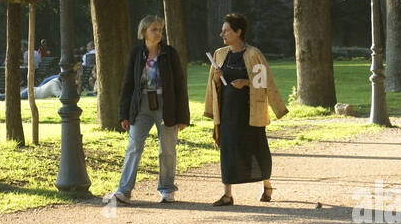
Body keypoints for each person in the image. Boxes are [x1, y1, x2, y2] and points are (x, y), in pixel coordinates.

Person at [103, 16, 189, 204]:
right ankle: (123, 191)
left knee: (167, 149)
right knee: (134, 147)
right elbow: (128, 83)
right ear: (144, 32)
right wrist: (123, 114)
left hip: (166, 106)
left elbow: (180, 85)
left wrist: (183, 116)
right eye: (154, 29)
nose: (158, 33)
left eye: (160, 29)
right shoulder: (136, 53)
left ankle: (167, 190)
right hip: (140, 105)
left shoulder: (170, 53)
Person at [204, 12, 287, 206]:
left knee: (256, 147)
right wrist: (216, 76)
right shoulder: (220, 54)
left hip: (249, 112)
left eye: (226, 30)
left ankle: (267, 185)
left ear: (238, 31)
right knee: (227, 149)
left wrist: (245, 82)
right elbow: (214, 84)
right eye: (222, 30)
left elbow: (262, 82)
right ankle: (227, 194)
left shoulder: (253, 54)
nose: (222, 34)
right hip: (227, 111)